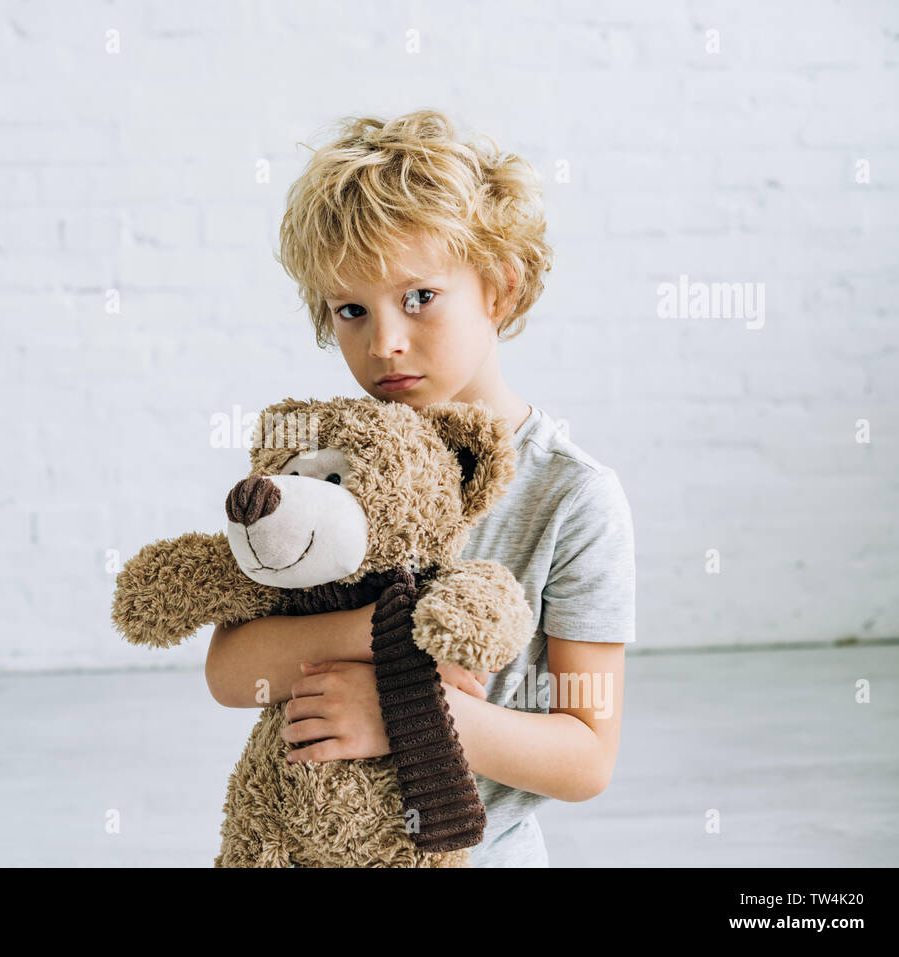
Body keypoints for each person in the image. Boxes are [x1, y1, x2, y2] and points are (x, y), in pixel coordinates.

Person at [204, 110, 636, 867]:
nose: (385, 343)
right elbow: (233, 672)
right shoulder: (323, 471)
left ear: (498, 288)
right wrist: (376, 631)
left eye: (420, 297)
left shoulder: (572, 498)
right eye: (351, 310)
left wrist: (403, 711)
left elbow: (586, 756)